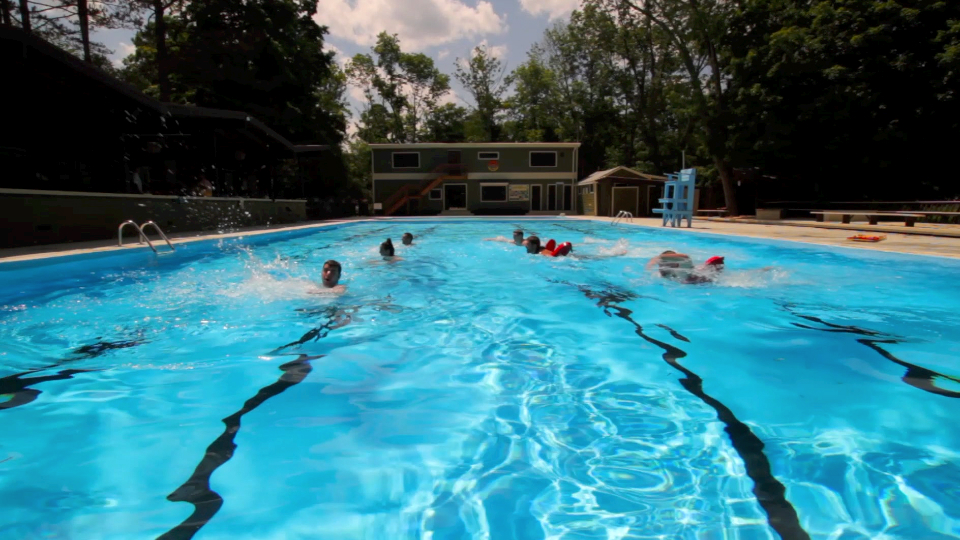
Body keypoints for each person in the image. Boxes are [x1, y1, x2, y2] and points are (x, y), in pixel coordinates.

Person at [647, 251, 724, 284]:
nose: (662, 266)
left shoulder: (681, 270)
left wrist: (658, 257)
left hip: (704, 278)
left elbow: (685, 257)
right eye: (661, 264)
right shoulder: (662, 273)